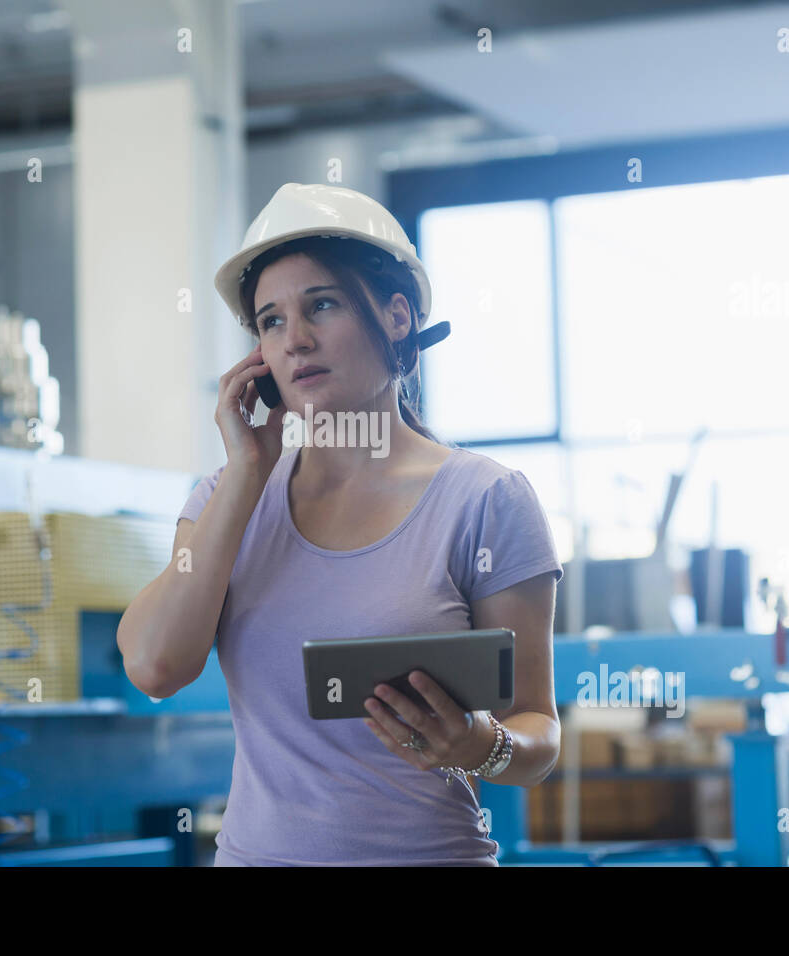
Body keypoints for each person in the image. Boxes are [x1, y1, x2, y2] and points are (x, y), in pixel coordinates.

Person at [116, 182, 564, 865]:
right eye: (270, 321)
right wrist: (246, 472)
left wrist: (482, 746)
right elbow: (154, 665)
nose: (295, 340)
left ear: (396, 317)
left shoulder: (486, 500)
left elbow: (538, 733)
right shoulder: (226, 498)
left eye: (321, 305)